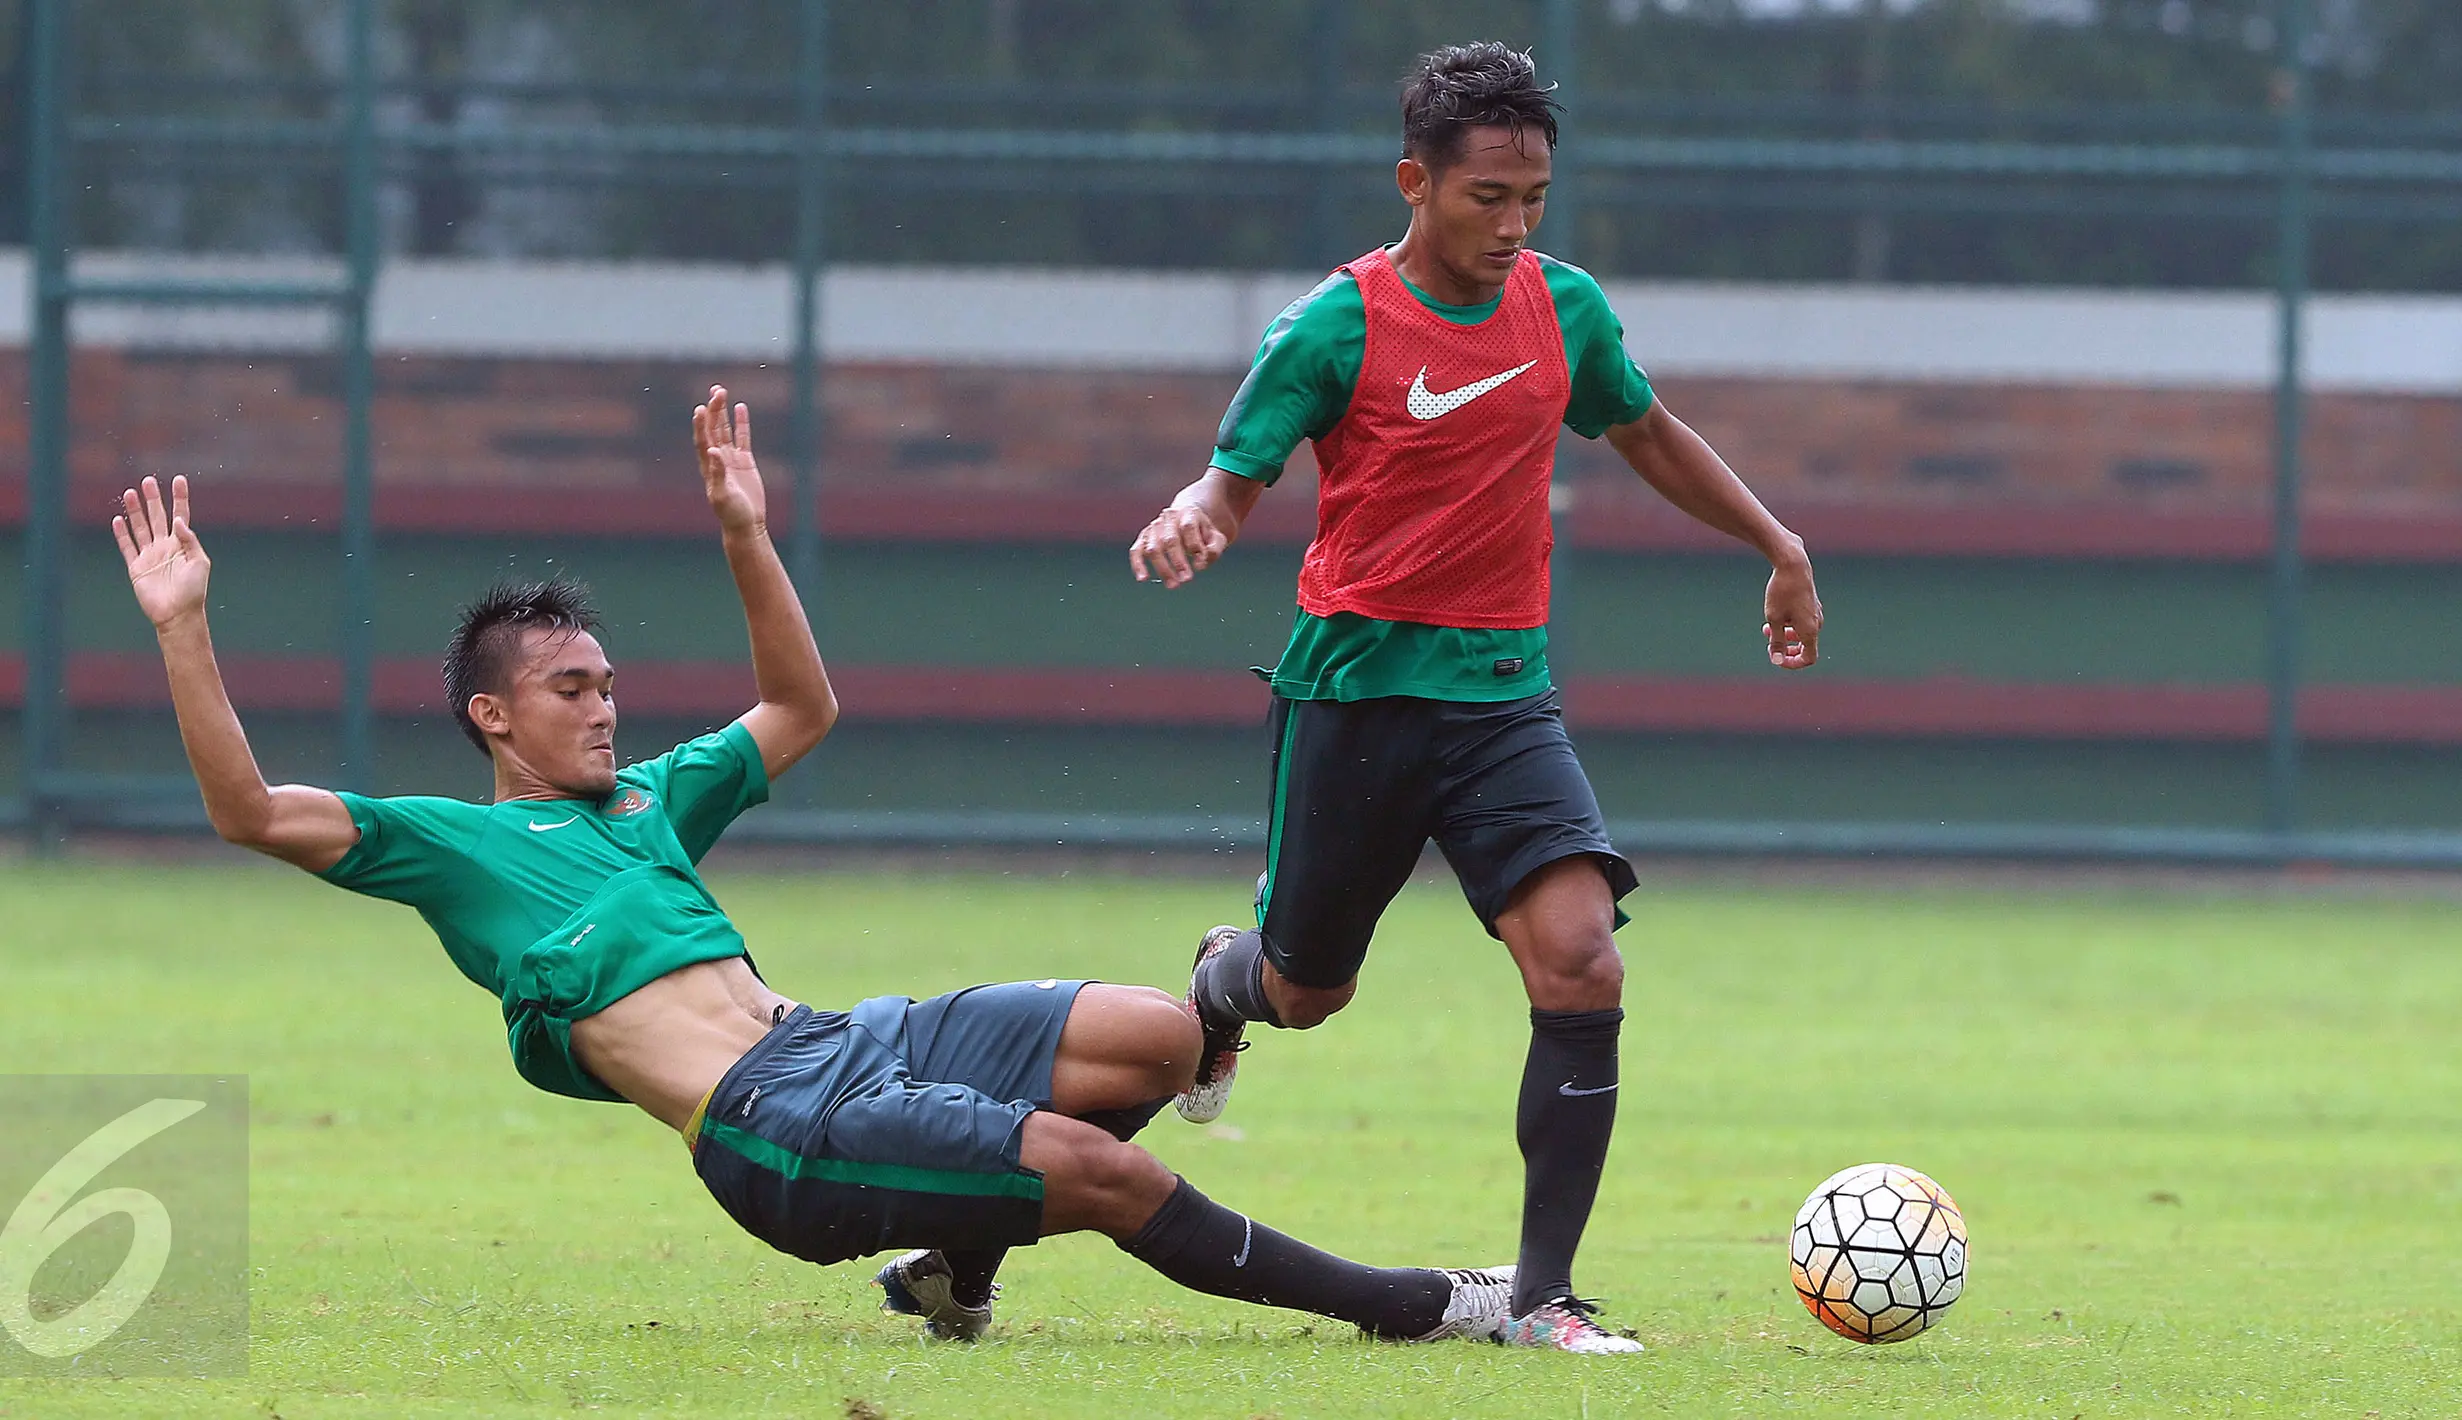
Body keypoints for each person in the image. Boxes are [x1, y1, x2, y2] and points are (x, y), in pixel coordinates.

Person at [114, 386, 1516, 1345]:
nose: (602, 709)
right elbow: (249, 810)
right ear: (492, 716)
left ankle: (957, 1264)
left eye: (607, 684)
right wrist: (183, 625)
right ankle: (1418, 1304)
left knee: (1156, 1039)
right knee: (1097, 1170)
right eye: (568, 691)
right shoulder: (458, 847)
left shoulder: (649, 802)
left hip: (843, 1040)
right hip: (770, 1127)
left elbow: (800, 708)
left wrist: (745, 533)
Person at [1127, 44, 1825, 1354]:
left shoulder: (1565, 311)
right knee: (1305, 992)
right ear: (1415, 182)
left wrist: (1776, 544)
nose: (1512, 226)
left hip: (1504, 700)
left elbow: (1645, 429)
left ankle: (1542, 1298)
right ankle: (1224, 988)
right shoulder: (1333, 324)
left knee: (1581, 957)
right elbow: (1232, 476)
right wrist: (1196, 512)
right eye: (1486, 197)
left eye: (1534, 199)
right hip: (1356, 699)